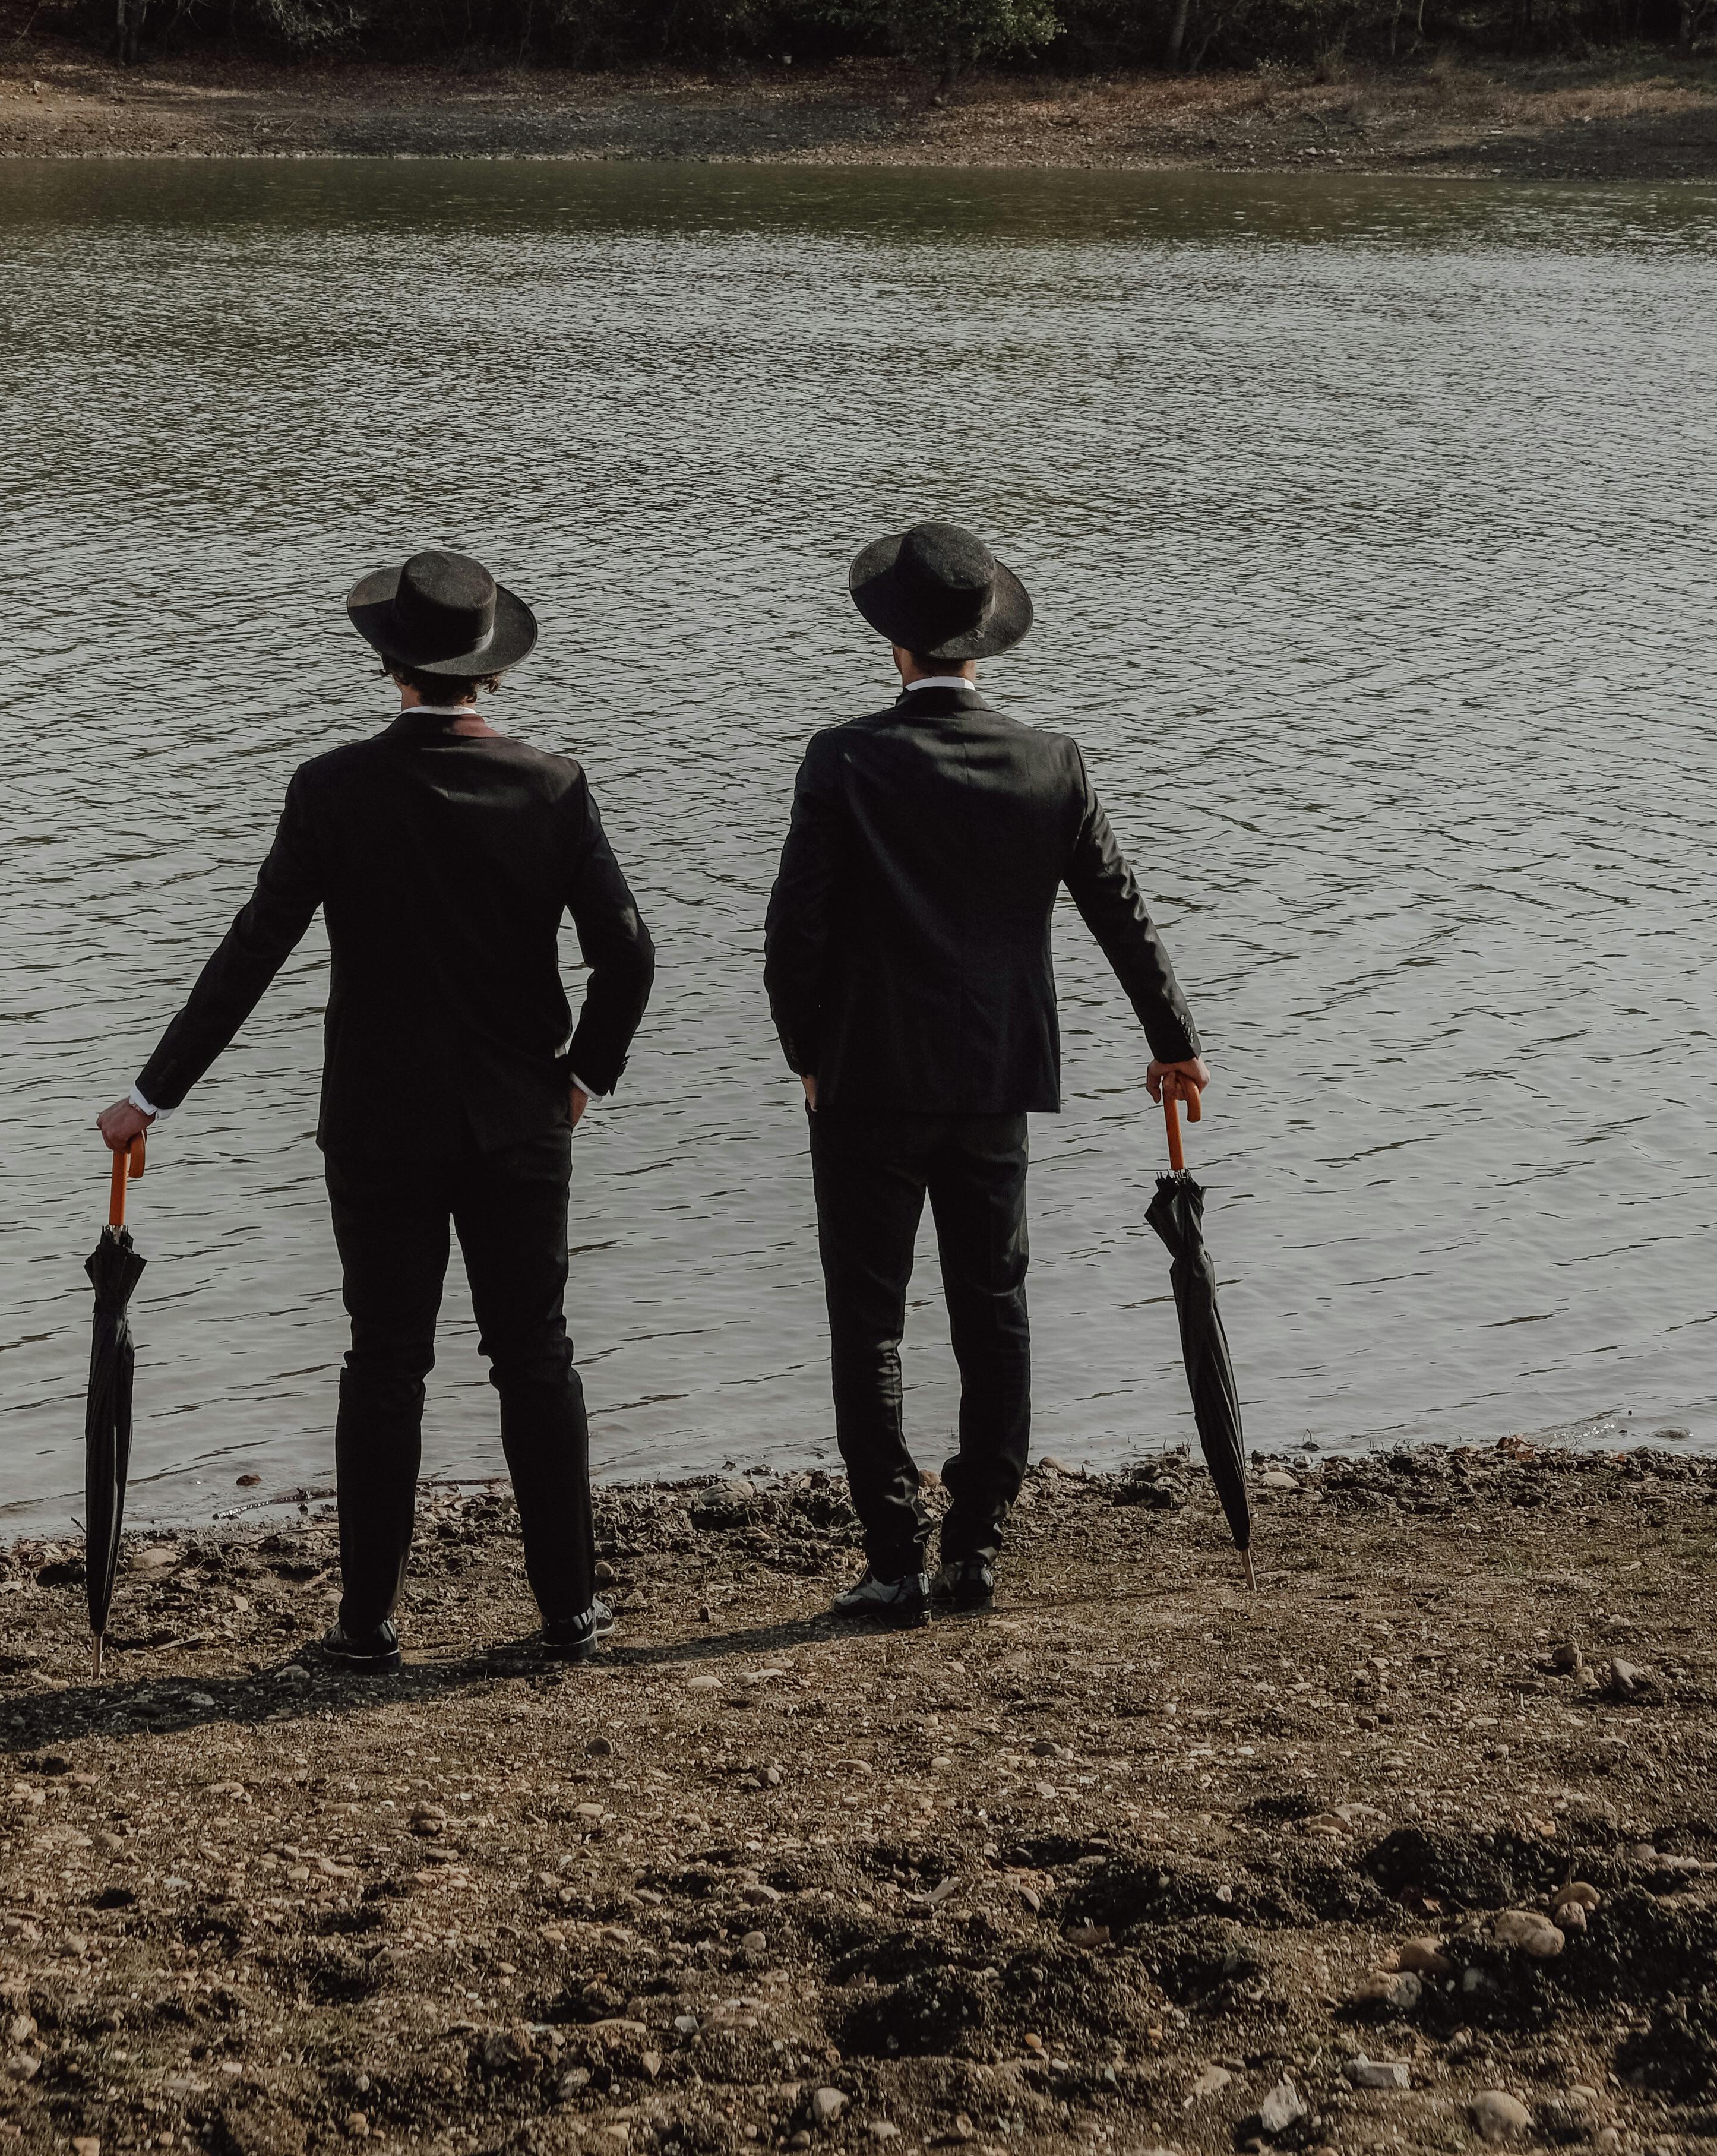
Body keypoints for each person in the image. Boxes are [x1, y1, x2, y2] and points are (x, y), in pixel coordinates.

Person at [96, 546, 653, 1671]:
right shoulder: (553, 785)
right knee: (535, 1356)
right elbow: (629, 954)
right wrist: (582, 1078)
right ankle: (568, 1616)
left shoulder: (334, 788)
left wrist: (151, 1095)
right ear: (488, 672)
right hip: (521, 1120)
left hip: (378, 1123)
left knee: (385, 1362)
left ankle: (367, 1626)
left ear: (390, 665)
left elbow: (255, 951)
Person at [763, 519, 1207, 1626]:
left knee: (868, 1321)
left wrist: (807, 1055)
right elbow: (1120, 909)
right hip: (996, 1077)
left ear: (896, 649)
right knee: (993, 1307)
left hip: (865, 1079)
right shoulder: (1050, 762)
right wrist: (1173, 1039)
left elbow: (793, 937)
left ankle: (893, 1558)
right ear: (982, 644)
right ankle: (976, 1546)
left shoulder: (847, 757)